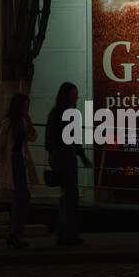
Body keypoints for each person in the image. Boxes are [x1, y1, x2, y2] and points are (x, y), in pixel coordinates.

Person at [0, 92, 38, 248]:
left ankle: (16, 232)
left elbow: (33, 137)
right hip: (14, 160)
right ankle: (15, 233)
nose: (26, 108)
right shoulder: (8, 122)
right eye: (24, 105)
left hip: (20, 160)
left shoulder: (22, 121)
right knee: (21, 197)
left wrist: (28, 119)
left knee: (22, 197)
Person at [45, 83, 92, 246]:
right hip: (65, 157)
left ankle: (66, 233)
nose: (76, 97)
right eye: (74, 94)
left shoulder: (57, 113)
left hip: (63, 156)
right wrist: (82, 156)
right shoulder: (66, 114)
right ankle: (67, 234)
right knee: (70, 196)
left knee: (68, 196)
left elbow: (53, 139)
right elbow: (73, 139)